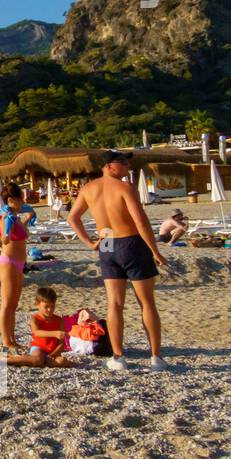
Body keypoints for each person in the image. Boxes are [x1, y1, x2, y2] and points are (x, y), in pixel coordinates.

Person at [67, 150, 166, 371]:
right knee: (146, 302)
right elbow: (140, 222)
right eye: (123, 163)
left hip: (107, 243)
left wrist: (90, 243)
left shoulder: (88, 189)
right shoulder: (124, 187)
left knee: (114, 303)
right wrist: (155, 250)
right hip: (129, 241)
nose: (128, 166)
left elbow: (72, 218)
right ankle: (156, 357)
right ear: (110, 166)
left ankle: (118, 357)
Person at [0, 183, 29, 354]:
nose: (23, 201)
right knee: (7, 303)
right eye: (20, 198)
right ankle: (6, 340)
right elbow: (3, 239)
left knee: (14, 304)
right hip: (8, 261)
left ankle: (13, 339)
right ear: (10, 200)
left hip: (19, 263)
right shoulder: (5, 219)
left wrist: (23, 219)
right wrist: (6, 236)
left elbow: (24, 234)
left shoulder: (15, 218)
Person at [6, 286, 75, 368]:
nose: (50, 310)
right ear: (37, 304)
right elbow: (37, 333)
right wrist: (55, 333)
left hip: (53, 351)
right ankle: (6, 360)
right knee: (38, 359)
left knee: (62, 361)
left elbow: (62, 343)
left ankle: (41, 361)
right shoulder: (35, 318)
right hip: (38, 348)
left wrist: (54, 354)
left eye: (52, 306)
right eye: (46, 307)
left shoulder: (59, 320)